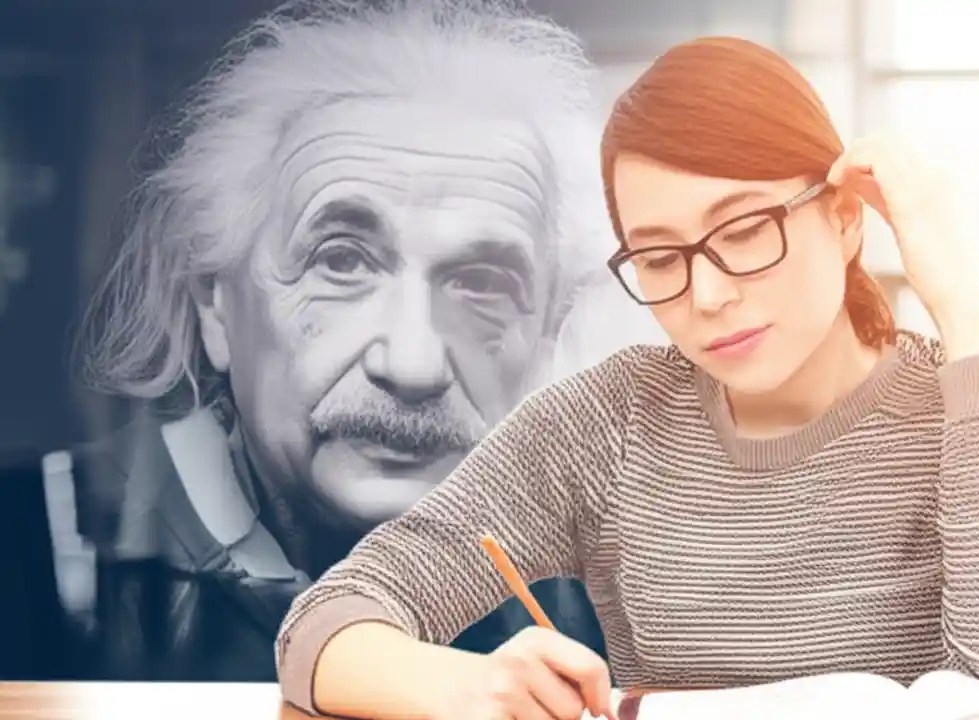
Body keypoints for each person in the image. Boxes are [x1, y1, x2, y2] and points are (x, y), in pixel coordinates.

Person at [274, 36, 979, 720]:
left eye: (742, 232)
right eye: (662, 257)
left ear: (845, 219)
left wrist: (961, 306)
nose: (707, 296)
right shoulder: (609, 422)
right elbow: (323, 629)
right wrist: (466, 684)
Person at [41, 0, 613, 682]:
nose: (411, 363)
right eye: (341, 261)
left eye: (480, 283)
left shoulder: (609, 595)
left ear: (549, 329)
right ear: (215, 306)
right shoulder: (41, 550)